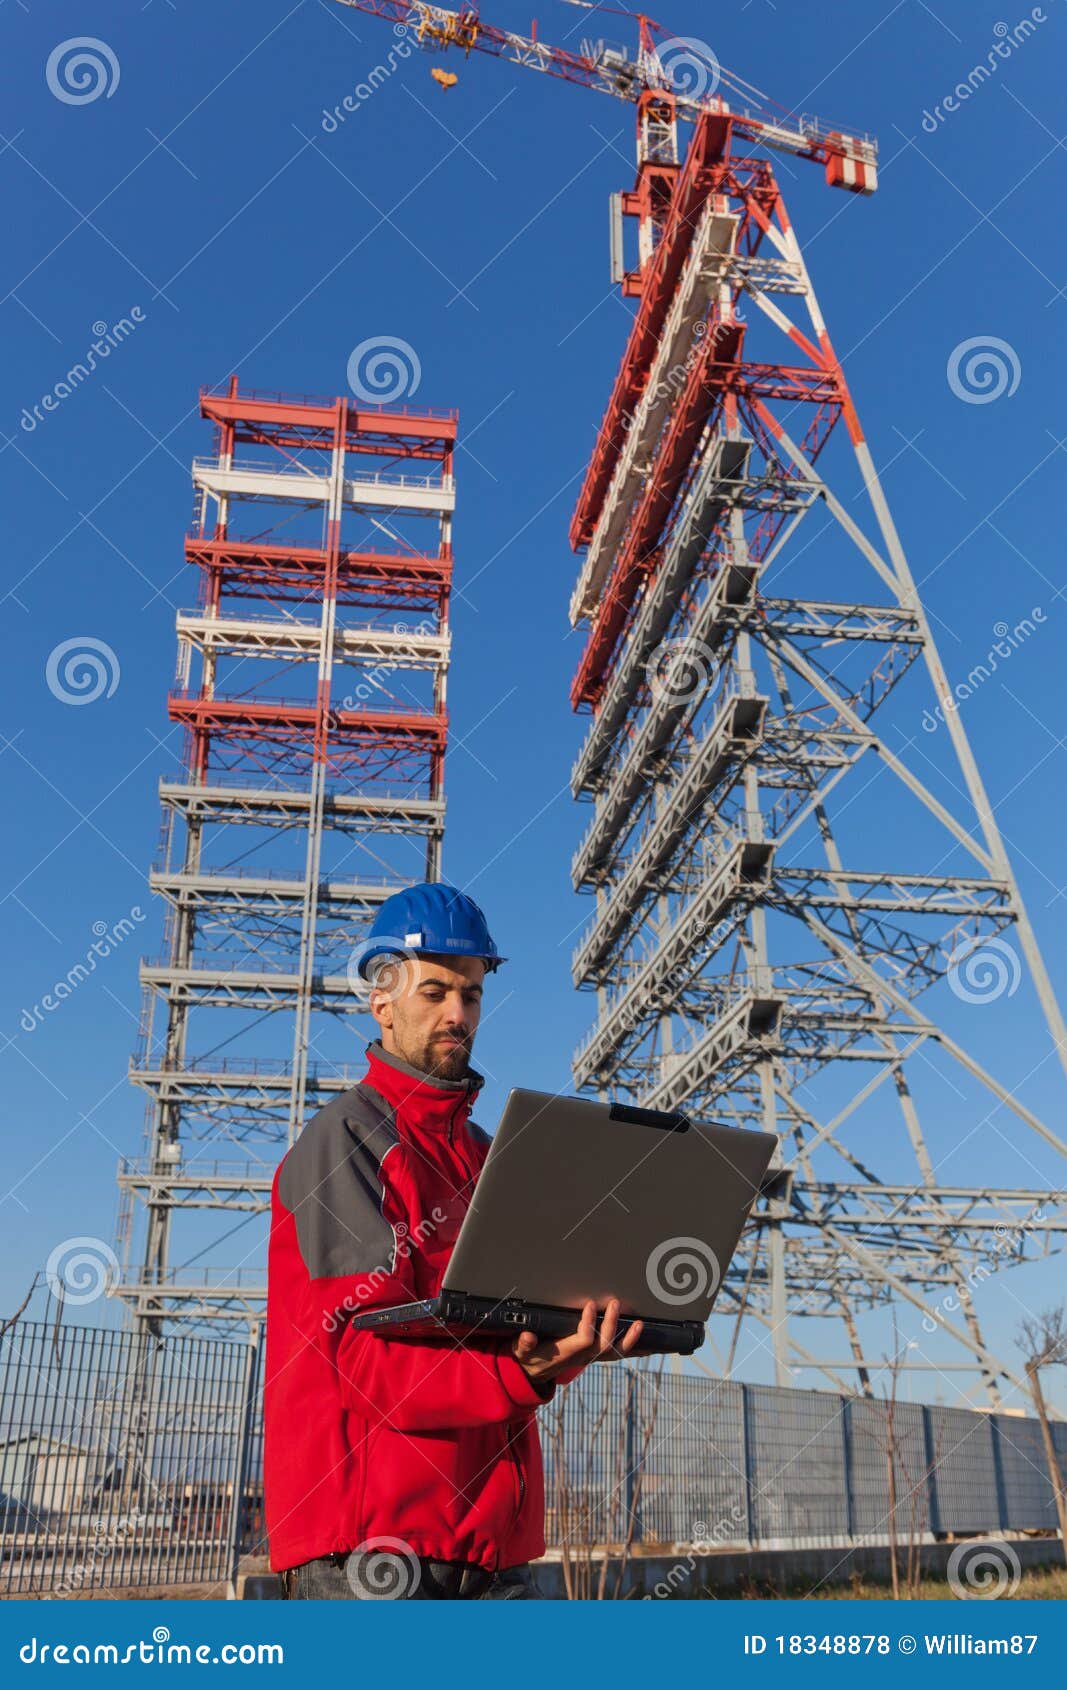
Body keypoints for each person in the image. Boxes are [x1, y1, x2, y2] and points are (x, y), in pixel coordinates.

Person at [263, 881, 643, 1600]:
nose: (457, 1014)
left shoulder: (487, 1159)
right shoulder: (345, 1145)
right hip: (375, 1554)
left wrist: (573, 1341)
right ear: (381, 1000)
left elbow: (511, 1342)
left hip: (490, 1548)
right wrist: (520, 1372)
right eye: (434, 992)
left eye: (470, 995)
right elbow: (362, 1360)